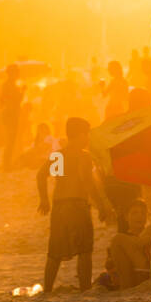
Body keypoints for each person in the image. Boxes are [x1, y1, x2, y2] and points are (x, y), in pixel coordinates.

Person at [36, 117, 111, 291]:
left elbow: (42, 176)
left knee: (55, 251)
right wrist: (100, 205)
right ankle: (84, 288)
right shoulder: (83, 156)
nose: (88, 139)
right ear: (80, 135)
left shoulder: (60, 156)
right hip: (77, 206)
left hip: (60, 206)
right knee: (84, 249)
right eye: (86, 135)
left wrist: (44, 199)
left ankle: (47, 289)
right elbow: (86, 181)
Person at [0, 64, 24, 171]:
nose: (18, 74)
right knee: (11, 140)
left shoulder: (8, 84)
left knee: (11, 140)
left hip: (9, 114)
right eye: (16, 72)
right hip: (11, 114)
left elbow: (2, 100)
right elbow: (15, 100)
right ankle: (7, 164)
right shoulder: (10, 85)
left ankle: (7, 163)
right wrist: (22, 92)